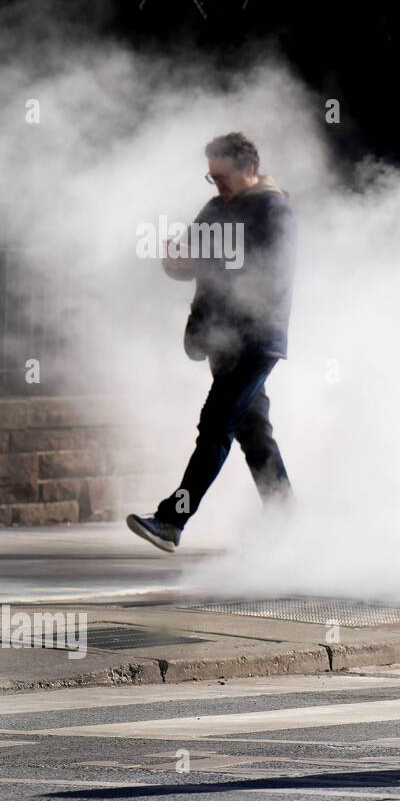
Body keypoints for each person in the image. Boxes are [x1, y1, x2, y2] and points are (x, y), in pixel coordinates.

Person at [126, 132, 295, 552]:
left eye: (223, 177)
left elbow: (268, 276)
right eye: (212, 178)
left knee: (216, 425)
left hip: (255, 340)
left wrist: (204, 261)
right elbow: (188, 260)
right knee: (255, 435)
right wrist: (174, 262)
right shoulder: (216, 207)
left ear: (250, 169)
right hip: (221, 338)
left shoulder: (273, 210)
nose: (218, 186)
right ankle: (290, 525)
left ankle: (172, 520)